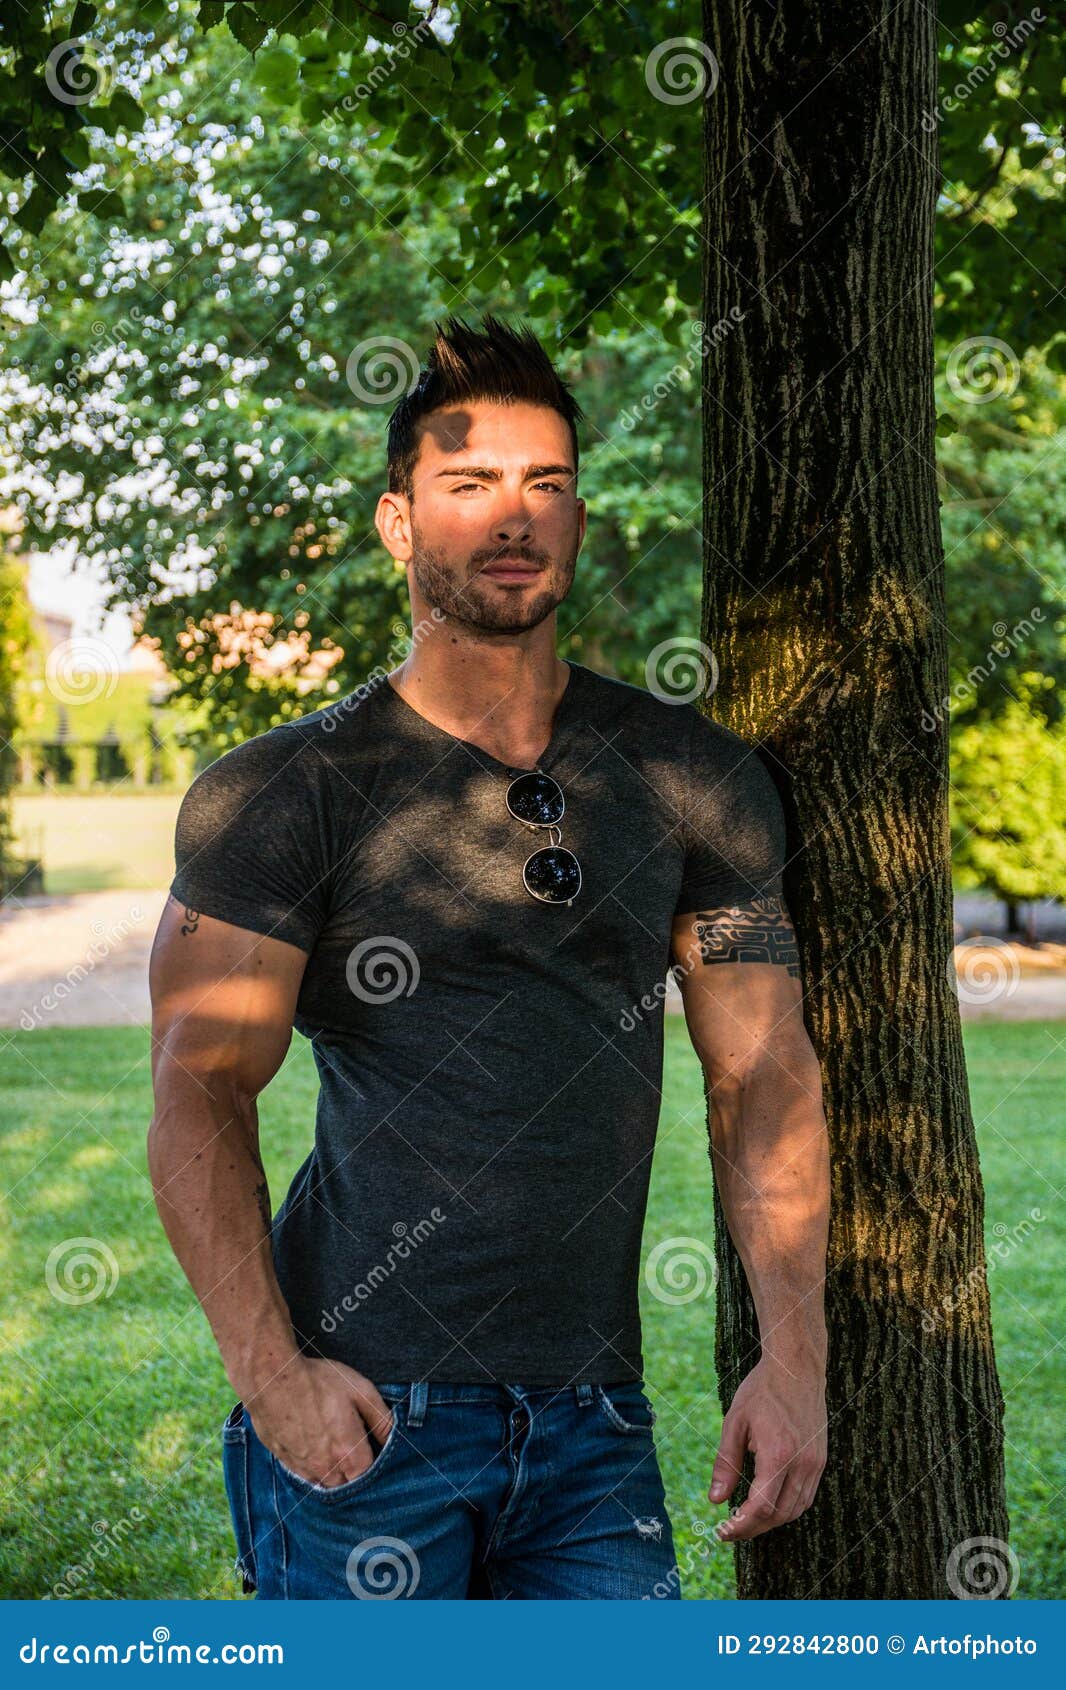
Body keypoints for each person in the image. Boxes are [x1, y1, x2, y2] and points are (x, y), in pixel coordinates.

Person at [147, 313, 829, 1601]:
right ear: (399, 523)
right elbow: (197, 1092)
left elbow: (767, 1076)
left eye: (548, 486)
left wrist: (795, 1359)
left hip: (595, 1425)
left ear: (576, 519)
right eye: (469, 486)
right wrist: (276, 1382)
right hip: (368, 1412)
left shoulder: (691, 776)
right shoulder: (287, 791)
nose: (514, 517)